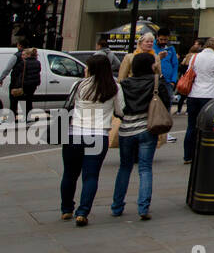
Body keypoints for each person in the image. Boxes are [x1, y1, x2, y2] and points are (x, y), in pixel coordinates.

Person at [59, 54, 122, 226]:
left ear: (92, 69)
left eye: (87, 66)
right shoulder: (114, 86)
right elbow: (120, 110)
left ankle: (66, 209)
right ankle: (83, 212)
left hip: (75, 133)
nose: (85, 69)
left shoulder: (78, 85)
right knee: (91, 175)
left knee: (69, 174)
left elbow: (69, 104)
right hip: (98, 134)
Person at [110, 52, 172, 220]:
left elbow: (119, 108)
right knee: (145, 168)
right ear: (151, 65)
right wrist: (159, 73)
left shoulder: (125, 84)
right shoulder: (156, 82)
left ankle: (117, 206)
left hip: (126, 129)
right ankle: (143, 207)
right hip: (147, 128)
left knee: (124, 168)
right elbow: (167, 102)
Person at [184, 38, 214, 165]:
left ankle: (188, 155)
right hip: (209, 94)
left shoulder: (195, 57)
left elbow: (188, 73)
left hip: (193, 93)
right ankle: (204, 152)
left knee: (191, 125)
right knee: (208, 126)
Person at [6, 46, 40, 121]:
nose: (22, 56)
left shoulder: (23, 63)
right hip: (32, 86)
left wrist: (14, 85)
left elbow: (15, 74)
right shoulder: (37, 63)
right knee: (28, 101)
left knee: (14, 101)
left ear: (28, 55)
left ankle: (12, 118)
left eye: (23, 55)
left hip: (23, 85)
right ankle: (28, 118)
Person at [154, 29, 180, 111]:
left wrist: (173, 81)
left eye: (165, 39)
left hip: (168, 82)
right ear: (157, 37)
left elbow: (175, 65)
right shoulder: (152, 47)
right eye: (161, 39)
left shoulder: (171, 48)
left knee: (167, 104)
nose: (163, 41)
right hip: (155, 80)